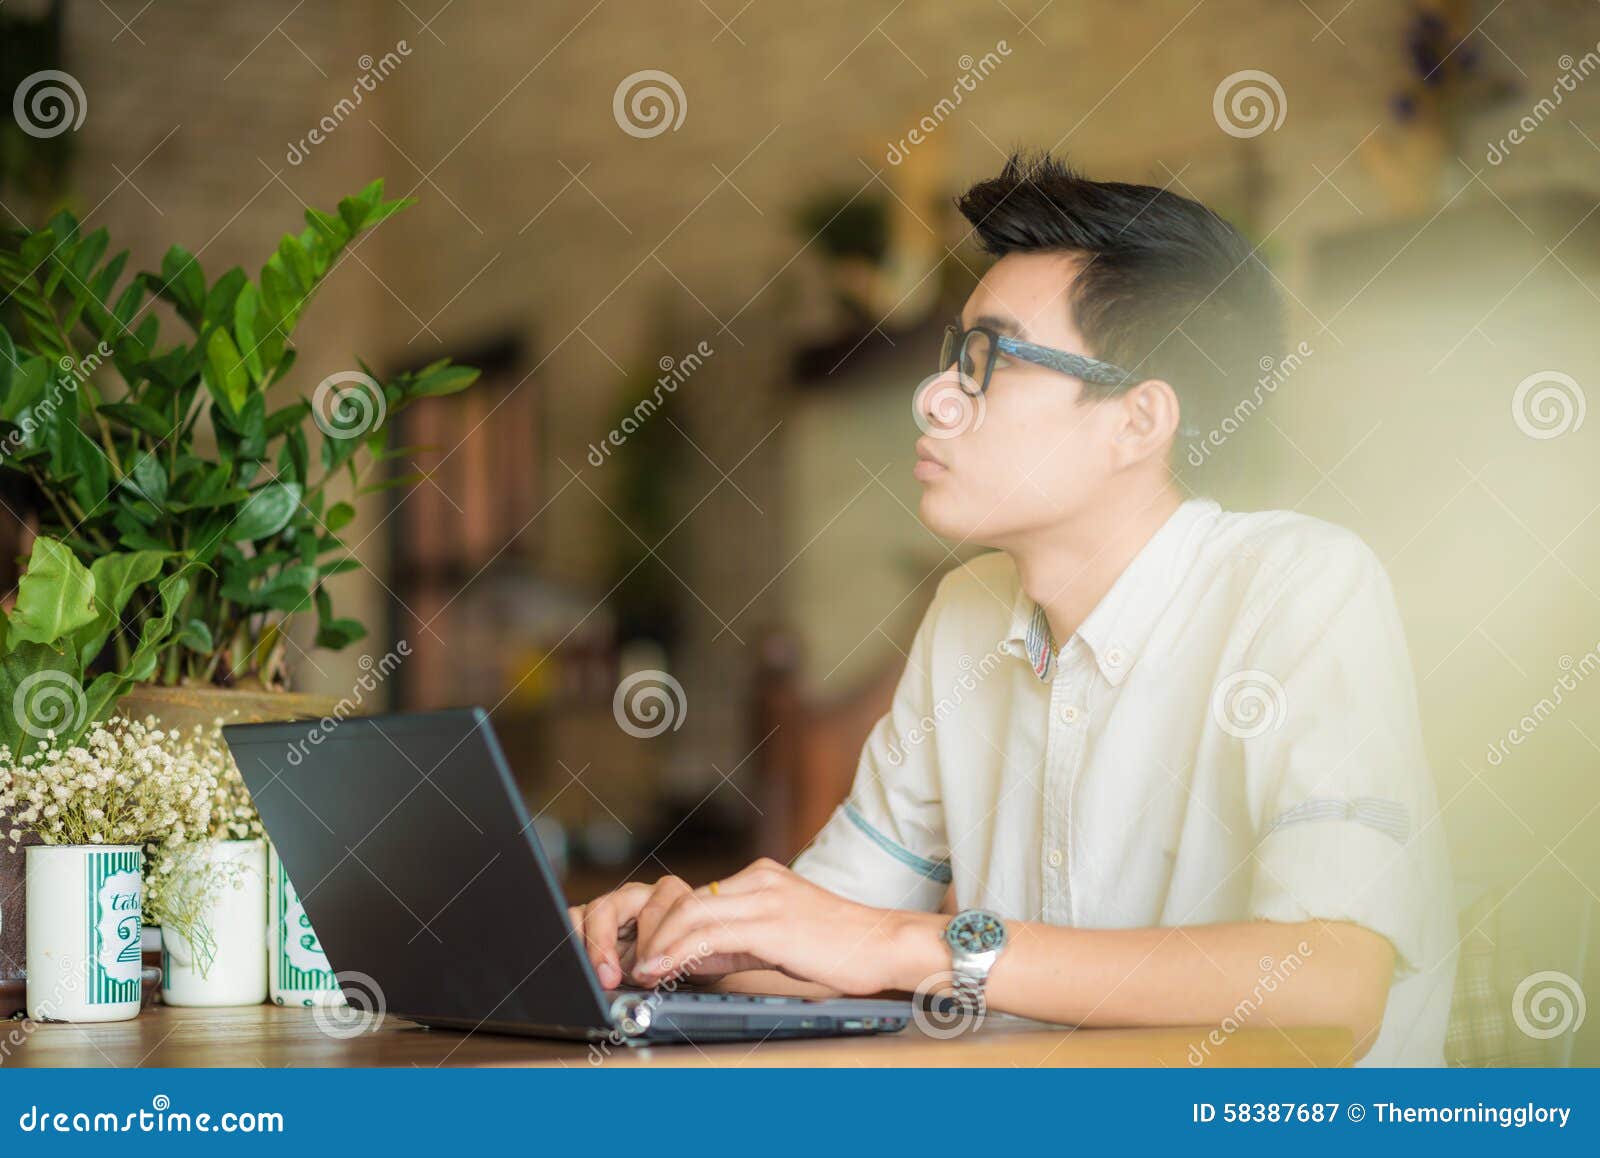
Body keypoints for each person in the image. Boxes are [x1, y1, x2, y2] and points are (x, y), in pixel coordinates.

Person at [569, 152, 1455, 1065]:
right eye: (953, 355)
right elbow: (827, 936)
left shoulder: (1299, 585)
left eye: (984, 359)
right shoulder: (967, 613)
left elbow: (1331, 985)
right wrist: (686, 936)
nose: (933, 397)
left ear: (1138, 422)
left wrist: (908, 945)